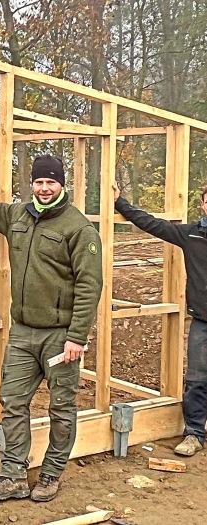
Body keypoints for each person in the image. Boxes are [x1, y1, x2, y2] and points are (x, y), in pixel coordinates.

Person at [0, 155, 103, 502]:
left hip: (60, 335)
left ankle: (51, 473)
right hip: (23, 332)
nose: (44, 187)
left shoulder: (78, 228)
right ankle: (13, 476)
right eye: (39, 182)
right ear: (32, 184)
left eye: (51, 182)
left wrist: (76, 337)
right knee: (12, 401)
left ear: (61, 184)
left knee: (61, 406)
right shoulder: (17, 215)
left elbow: (89, 284)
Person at [113, 182, 207, 457]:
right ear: (202, 205)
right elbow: (152, 224)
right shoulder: (191, 235)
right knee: (198, 379)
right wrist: (121, 203)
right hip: (203, 321)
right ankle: (194, 434)